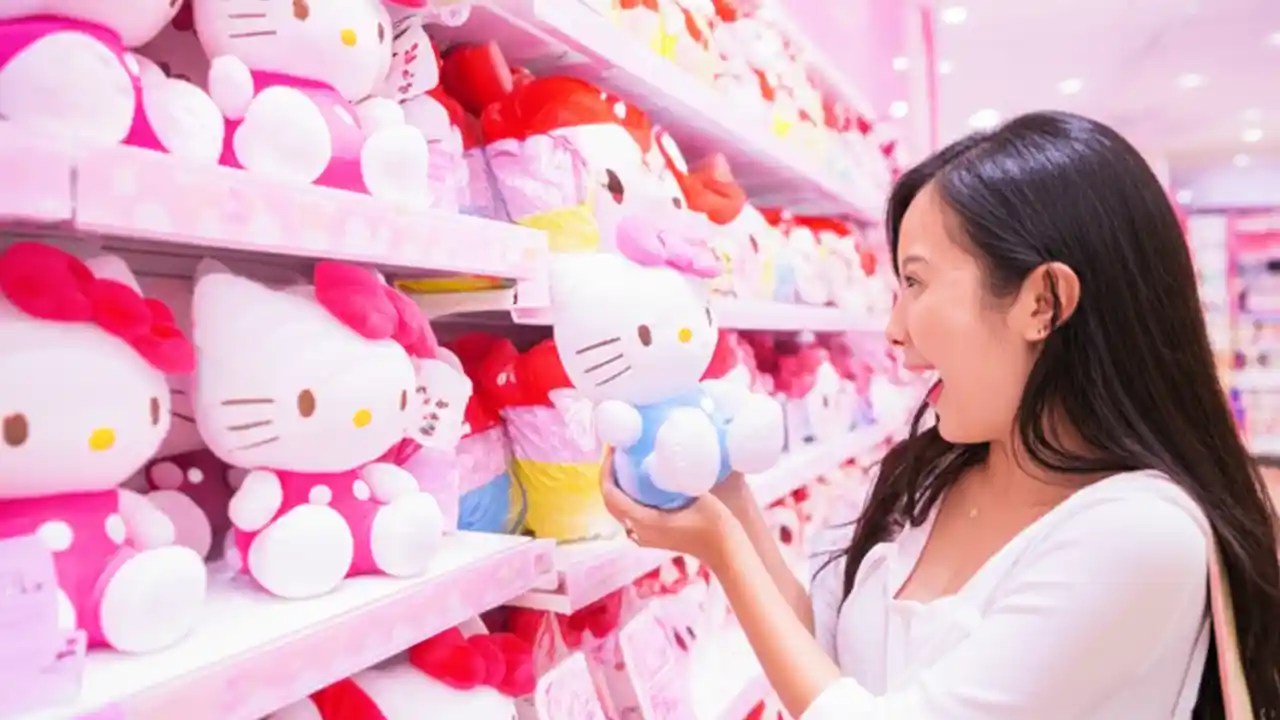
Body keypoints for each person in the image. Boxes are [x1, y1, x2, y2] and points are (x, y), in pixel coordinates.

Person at [601, 111, 1280, 719]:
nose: (894, 330)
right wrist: (728, 501)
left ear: (1042, 302)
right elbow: (827, 670)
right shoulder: (929, 477)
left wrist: (723, 548)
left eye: (916, 282)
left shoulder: (1140, 535)